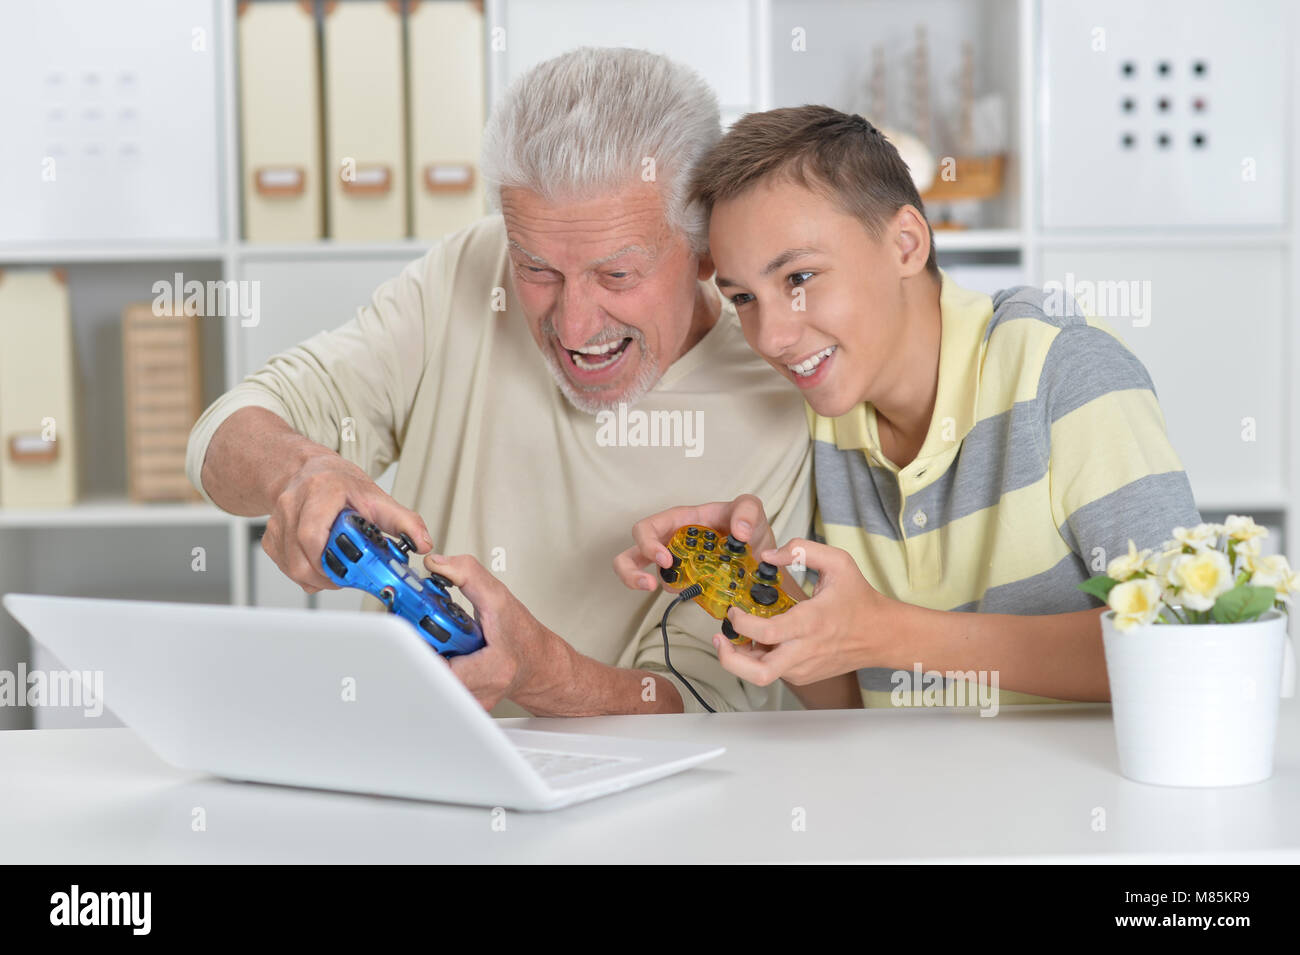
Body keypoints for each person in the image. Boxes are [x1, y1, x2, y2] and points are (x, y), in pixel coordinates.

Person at [187, 50, 863, 716]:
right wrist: (299, 471)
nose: (572, 325)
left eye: (616, 275)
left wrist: (539, 672)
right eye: (537, 269)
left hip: (641, 813)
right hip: (410, 767)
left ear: (705, 251)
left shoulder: (775, 402)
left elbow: (702, 703)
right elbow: (225, 432)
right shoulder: (468, 271)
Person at [615, 105, 1201, 707]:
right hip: (898, 795)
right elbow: (848, 711)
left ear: (906, 244)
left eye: (799, 278)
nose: (770, 337)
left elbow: (1186, 644)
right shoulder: (821, 413)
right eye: (743, 298)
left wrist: (891, 634)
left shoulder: (1064, 370)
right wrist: (763, 590)